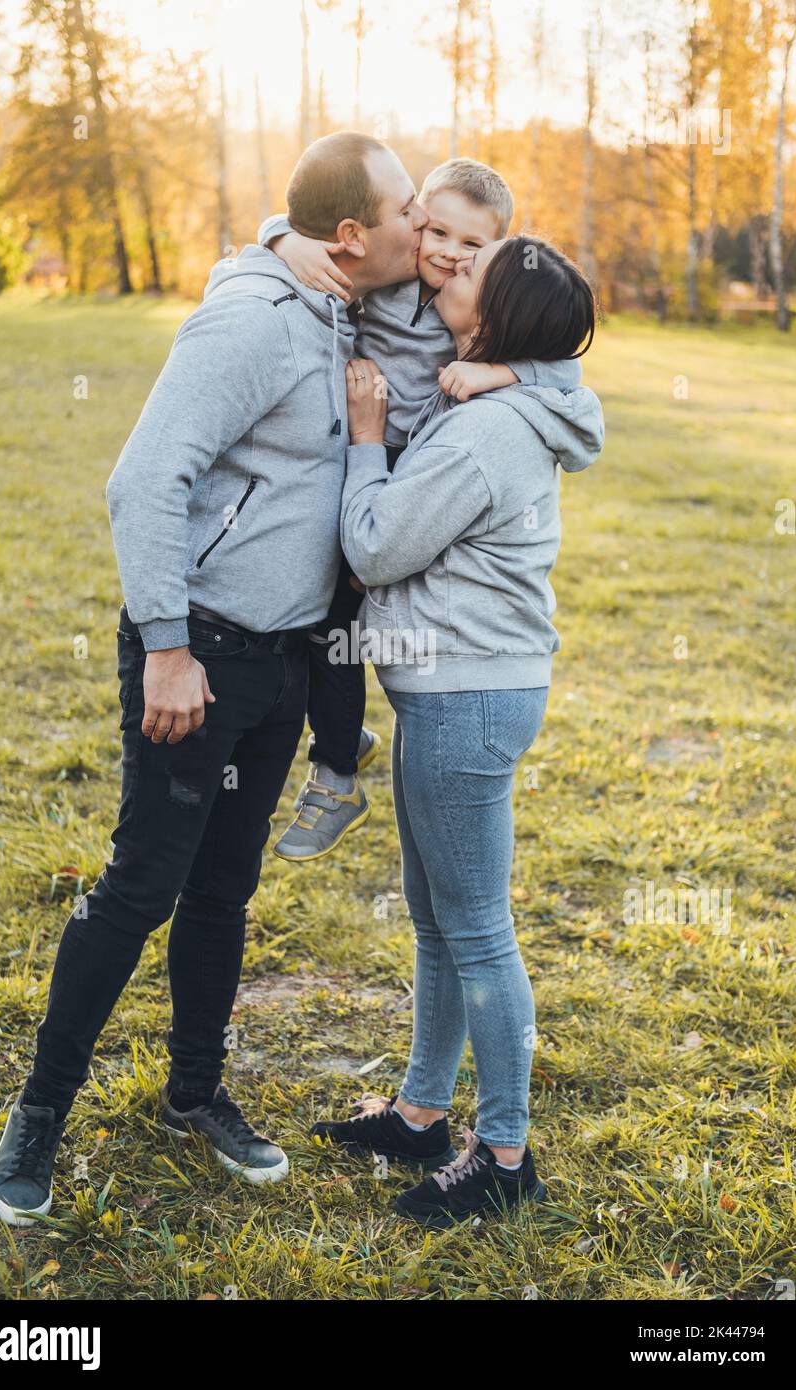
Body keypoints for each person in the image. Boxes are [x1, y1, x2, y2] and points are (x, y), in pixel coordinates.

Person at [0, 132, 428, 1226]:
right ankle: (39, 1110)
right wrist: (170, 646)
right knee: (141, 884)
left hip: (284, 659)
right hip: (201, 654)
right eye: (407, 208)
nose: (422, 226)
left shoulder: (342, 304)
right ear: (349, 235)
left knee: (224, 890)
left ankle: (193, 1093)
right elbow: (142, 479)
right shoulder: (250, 319)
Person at [311, 233, 604, 1229]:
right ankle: (421, 1112)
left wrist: (362, 433)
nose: (448, 269)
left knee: (476, 933)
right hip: (451, 691)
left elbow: (375, 544)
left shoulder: (489, 433)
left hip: (465, 696)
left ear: (496, 316)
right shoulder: (495, 397)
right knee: (438, 922)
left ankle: (505, 1153)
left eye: (469, 269)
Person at [258, 159, 538, 862]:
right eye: (436, 230)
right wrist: (279, 241)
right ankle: (340, 739)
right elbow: (315, 228)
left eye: (470, 245)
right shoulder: (384, 281)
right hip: (345, 466)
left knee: (341, 618)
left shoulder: (480, 309)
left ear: (496, 252)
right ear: (416, 223)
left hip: (405, 491)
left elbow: (561, 366)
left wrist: (498, 369)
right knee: (315, 622)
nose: (447, 252)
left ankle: (337, 772)